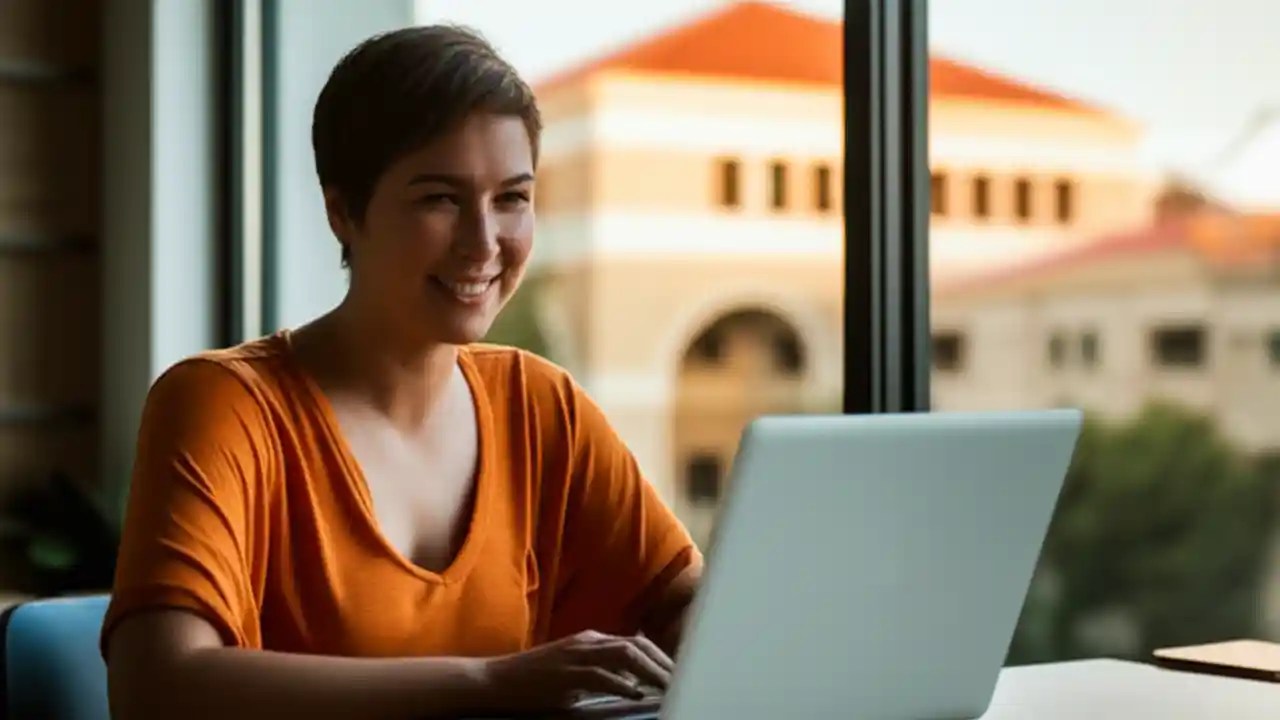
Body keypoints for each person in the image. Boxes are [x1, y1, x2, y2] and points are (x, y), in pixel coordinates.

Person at [101, 24, 702, 720]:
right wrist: (490, 685)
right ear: (342, 213)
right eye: (439, 199)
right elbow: (156, 687)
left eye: (511, 198)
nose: (484, 243)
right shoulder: (224, 405)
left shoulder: (541, 406)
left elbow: (686, 601)